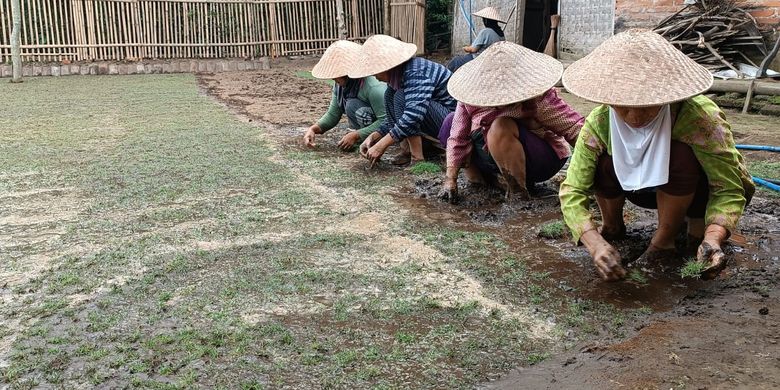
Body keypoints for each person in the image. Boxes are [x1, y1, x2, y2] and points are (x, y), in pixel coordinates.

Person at [558, 29, 755, 281]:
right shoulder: (600, 123)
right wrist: (594, 242)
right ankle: (613, 226)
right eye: (624, 108)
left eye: (647, 107)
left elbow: (727, 187)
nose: (635, 117)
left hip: (689, 191)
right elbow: (573, 189)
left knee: (695, 237)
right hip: (633, 189)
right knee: (602, 163)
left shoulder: (697, 119)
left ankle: (664, 242)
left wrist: (713, 236)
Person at [439, 41, 584, 202]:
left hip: (539, 158)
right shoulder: (469, 97)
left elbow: (573, 127)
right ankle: (479, 183)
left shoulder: (536, 96)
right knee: (449, 122)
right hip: (492, 151)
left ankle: (519, 193)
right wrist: (450, 178)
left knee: (500, 126)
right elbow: (457, 137)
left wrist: (591, 168)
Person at [350, 35, 457, 166]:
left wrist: (381, 146)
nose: (375, 76)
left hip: (452, 122)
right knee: (390, 94)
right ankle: (407, 151)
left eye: (376, 71)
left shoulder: (415, 72)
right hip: (437, 117)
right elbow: (392, 120)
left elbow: (413, 115)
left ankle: (417, 157)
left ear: (387, 67)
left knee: (401, 97)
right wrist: (374, 137)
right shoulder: (398, 79)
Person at [303, 40, 387, 151]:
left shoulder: (373, 86)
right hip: (372, 122)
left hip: (386, 128)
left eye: (335, 74)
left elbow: (387, 120)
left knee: (352, 105)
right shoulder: (340, 85)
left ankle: (371, 140)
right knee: (352, 105)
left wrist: (357, 135)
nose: (333, 78)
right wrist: (313, 129)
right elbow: (333, 113)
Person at [446, 7, 507, 72]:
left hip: (479, 59)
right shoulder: (501, 34)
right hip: (492, 60)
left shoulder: (486, 32)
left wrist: (465, 48)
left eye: (483, 19)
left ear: (486, 20)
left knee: (456, 60)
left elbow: (473, 49)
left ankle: (447, 77)